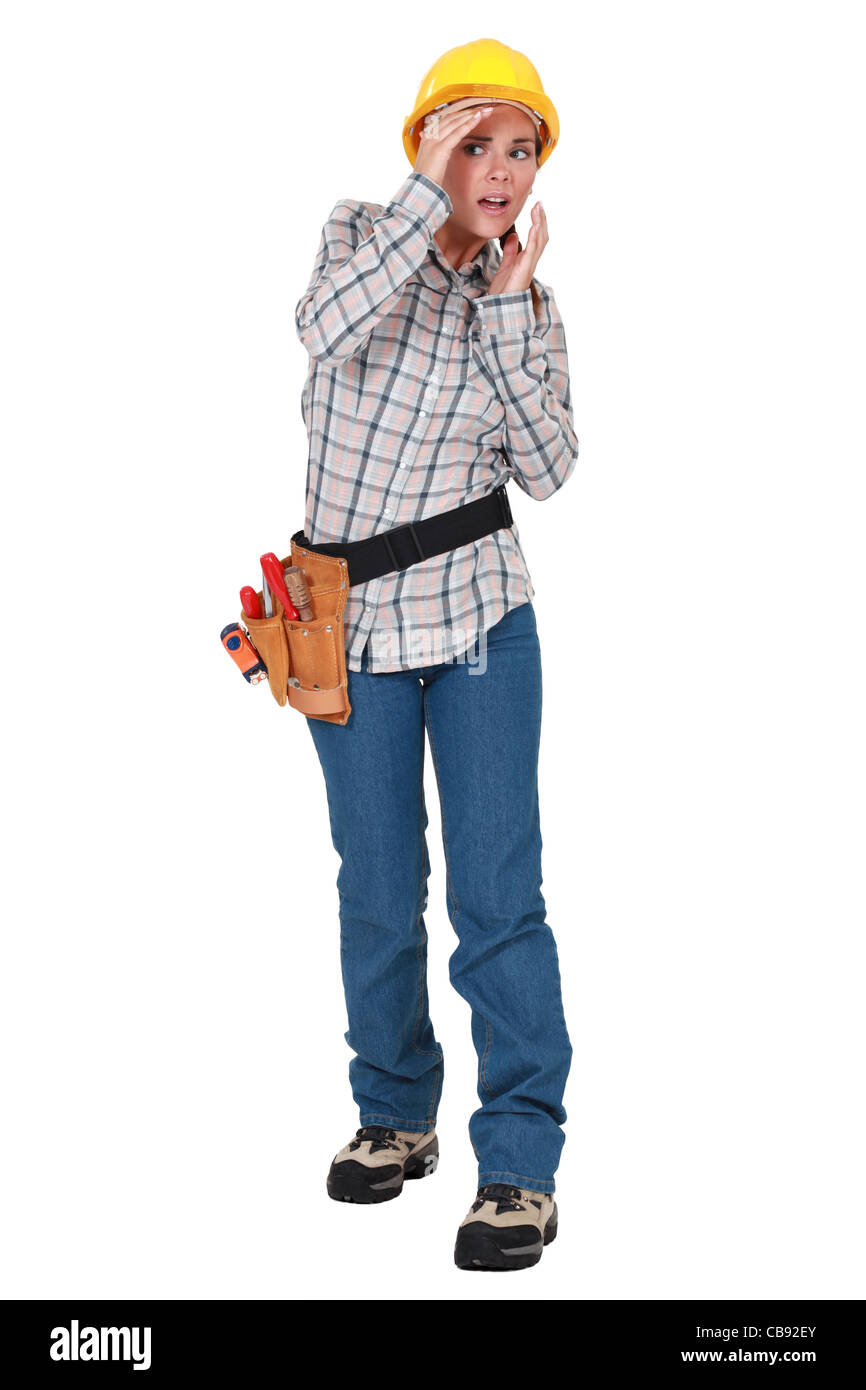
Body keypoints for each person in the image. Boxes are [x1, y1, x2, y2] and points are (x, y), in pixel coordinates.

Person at [293, 38, 578, 1271]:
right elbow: (320, 334)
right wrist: (424, 196)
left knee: (495, 898)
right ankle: (393, 1111)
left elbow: (550, 468)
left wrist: (509, 308)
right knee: (372, 885)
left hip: (476, 621)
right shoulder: (361, 236)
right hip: (341, 622)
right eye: (476, 143)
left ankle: (515, 1163)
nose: (500, 171)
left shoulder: (517, 299)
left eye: (519, 149)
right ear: (426, 147)